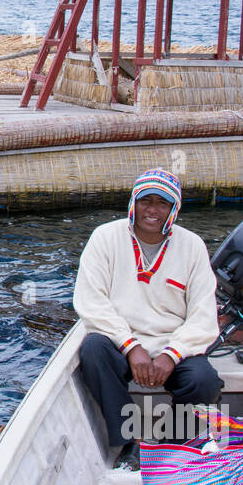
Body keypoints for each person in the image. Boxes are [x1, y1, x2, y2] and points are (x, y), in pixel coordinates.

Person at [73, 167, 222, 469]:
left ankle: (171, 443)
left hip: (172, 343)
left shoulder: (192, 246)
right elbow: (91, 301)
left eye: (162, 203)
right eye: (146, 201)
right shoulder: (105, 238)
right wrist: (131, 346)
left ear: (173, 209)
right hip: (121, 340)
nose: (152, 210)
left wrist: (171, 354)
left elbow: (204, 316)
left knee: (203, 381)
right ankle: (131, 442)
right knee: (93, 351)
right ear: (133, 203)